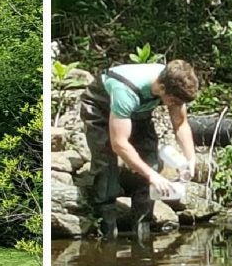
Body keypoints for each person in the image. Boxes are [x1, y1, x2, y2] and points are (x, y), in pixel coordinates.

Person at [81, 59, 198, 240]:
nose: (174, 104)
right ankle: (106, 228)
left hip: (138, 113)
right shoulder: (125, 91)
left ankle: (142, 229)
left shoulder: (174, 84)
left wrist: (191, 160)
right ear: (161, 87)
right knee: (106, 167)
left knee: (151, 161)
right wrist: (152, 176)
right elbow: (119, 143)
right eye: (173, 101)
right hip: (100, 108)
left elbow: (181, 124)